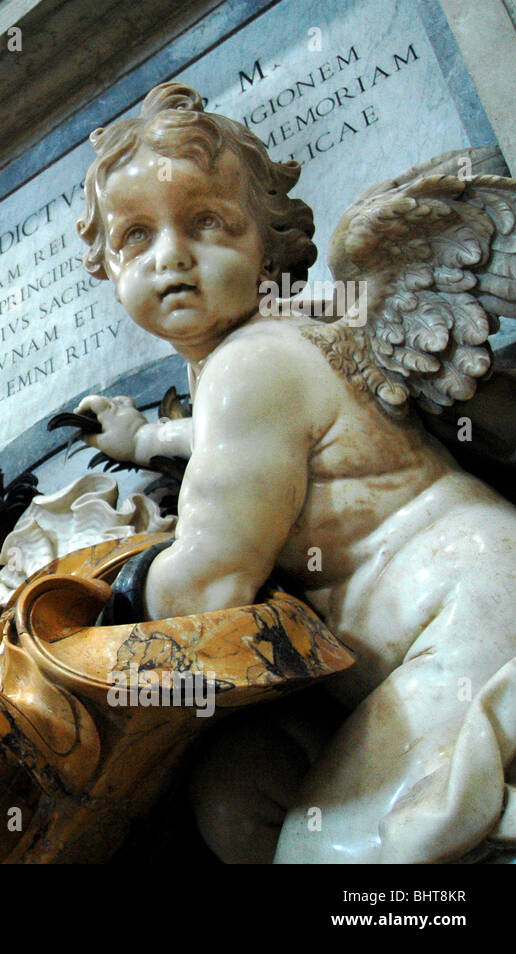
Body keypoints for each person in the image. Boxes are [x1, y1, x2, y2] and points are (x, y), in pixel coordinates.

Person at [74, 81, 516, 863]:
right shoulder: (281, 343)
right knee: (238, 795)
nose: (170, 254)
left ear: (269, 243)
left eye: (206, 222)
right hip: (459, 598)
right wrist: (143, 442)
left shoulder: (250, 371)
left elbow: (208, 586)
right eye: (135, 236)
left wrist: (103, 605)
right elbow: (222, 446)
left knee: (338, 860)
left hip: (466, 619)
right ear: (108, 264)